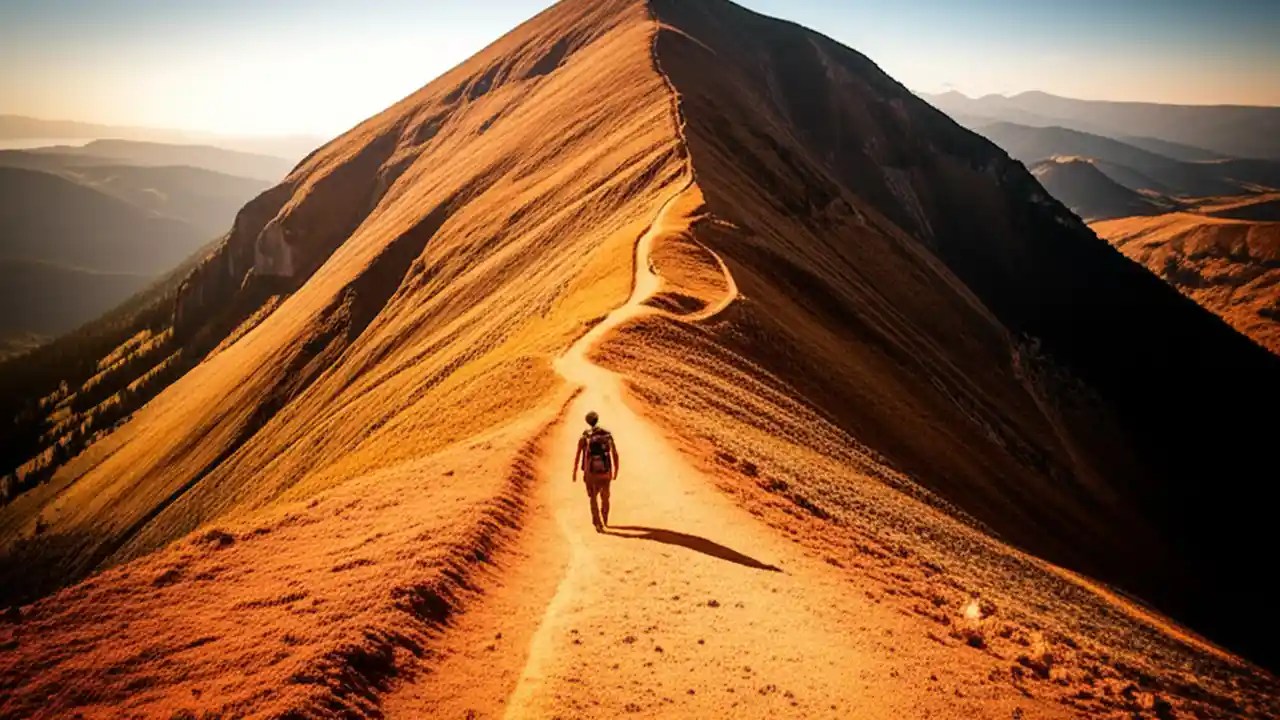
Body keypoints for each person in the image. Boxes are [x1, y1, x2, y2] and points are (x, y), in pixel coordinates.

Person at [573, 410, 619, 532]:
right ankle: (605, 516)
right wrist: (616, 470)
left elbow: (578, 455)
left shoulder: (585, 437)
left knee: (593, 497)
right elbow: (614, 453)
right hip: (606, 472)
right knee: (605, 496)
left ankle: (597, 523)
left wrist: (574, 472)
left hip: (590, 473)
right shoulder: (607, 435)